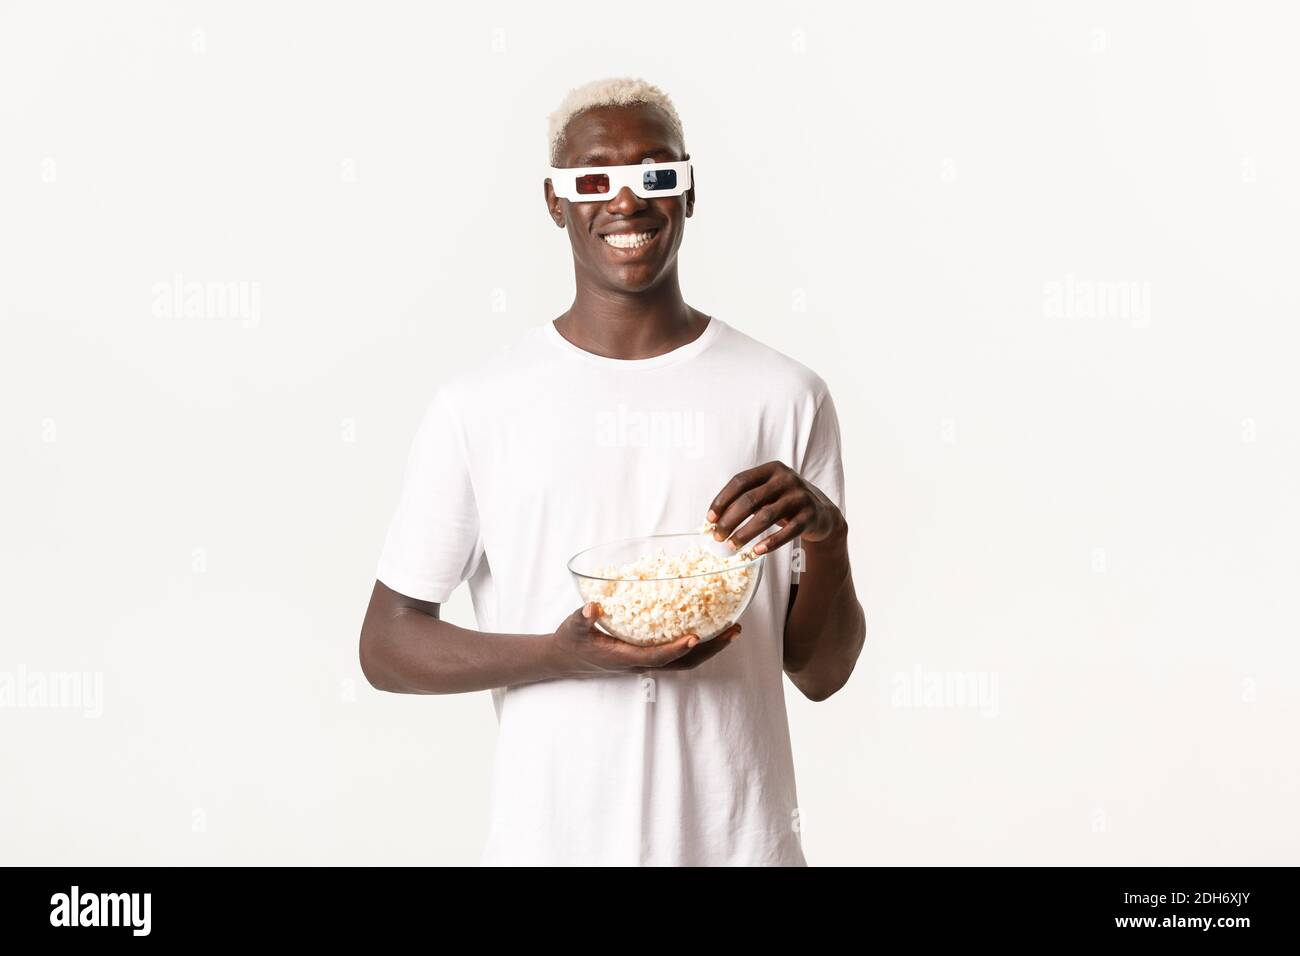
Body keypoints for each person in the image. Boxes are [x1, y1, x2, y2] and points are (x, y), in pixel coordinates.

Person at [359, 76, 867, 866]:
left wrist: (829, 537)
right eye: (593, 179)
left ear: (689, 192)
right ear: (555, 203)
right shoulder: (480, 406)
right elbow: (387, 646)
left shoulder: (786, 395)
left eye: (655, 174)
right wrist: (564, 655)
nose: (625, 201)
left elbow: (821, 672)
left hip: (742, 847)